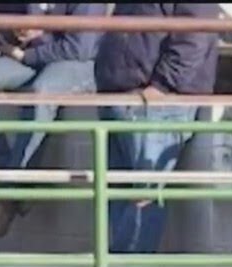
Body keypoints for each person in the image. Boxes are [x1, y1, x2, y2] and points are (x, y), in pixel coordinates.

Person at [0, 3, 105, 239]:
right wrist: (14, 32)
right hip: (29, 58)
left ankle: (11, 192)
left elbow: (80, 48)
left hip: (76, 62)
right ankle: (7, 178)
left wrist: (33, 45)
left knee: (42, 91)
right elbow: (1, 24)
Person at [93, 3, 218, 253]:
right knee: (121, 194)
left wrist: (163, 85)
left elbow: (195, 33)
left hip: (153, 100)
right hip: (126, 94)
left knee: (142, 195)